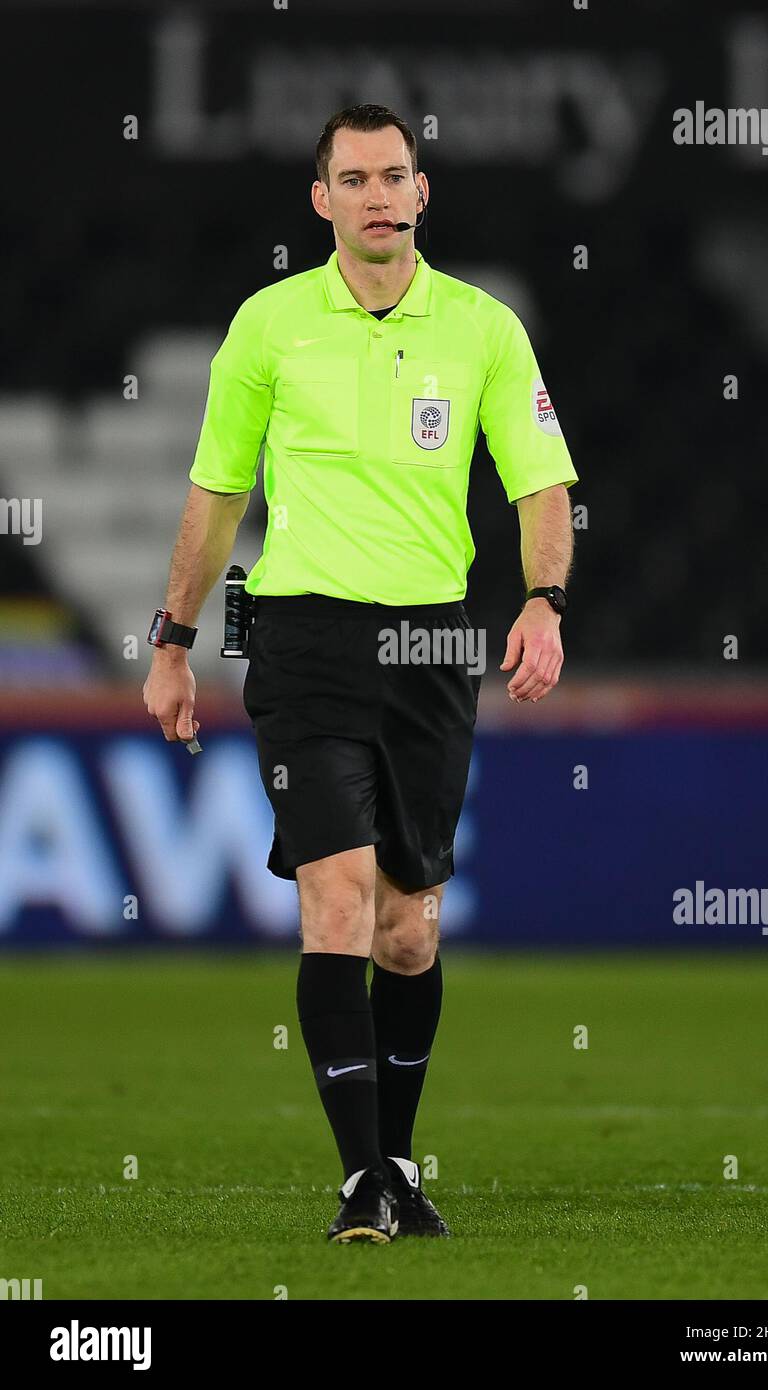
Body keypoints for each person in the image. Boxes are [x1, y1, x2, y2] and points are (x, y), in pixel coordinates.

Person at [143, 102, 577, 1244]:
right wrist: (174, 641)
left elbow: (538, 481)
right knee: (333, 902)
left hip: (431, 645)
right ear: (320, 197)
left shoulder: (483, 327)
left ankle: (393, 1155)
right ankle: (360, 1184)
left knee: (407, 929)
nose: (379, 195)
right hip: (302, 639)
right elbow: (216, 492)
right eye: (355, 178)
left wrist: (543, 598)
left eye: (396, 175)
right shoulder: (269, 327)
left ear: (422, 191)